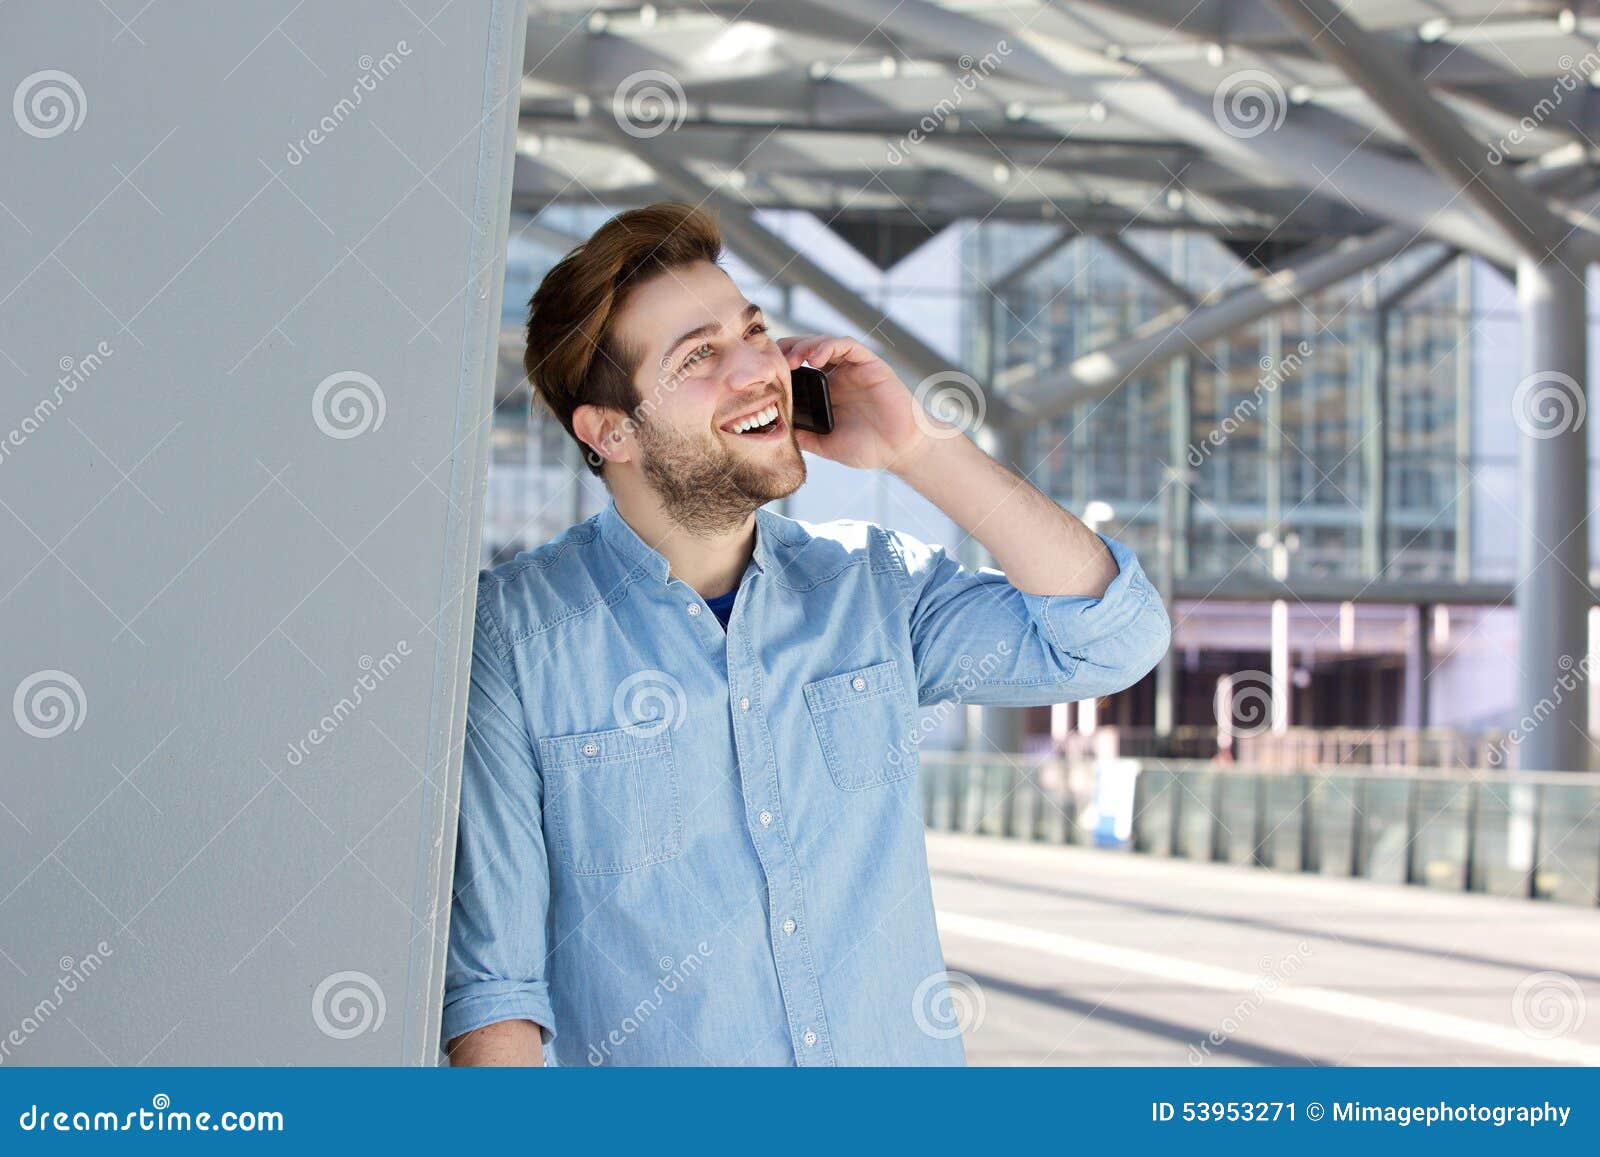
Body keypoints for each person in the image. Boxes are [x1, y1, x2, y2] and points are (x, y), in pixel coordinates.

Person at [442, 202, 1171, 1066]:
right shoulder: (514, 635)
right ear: (610, 430)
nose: (758, 368)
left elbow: (1109, 639)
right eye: (701, 356)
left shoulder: (873, 585)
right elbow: (495, 997)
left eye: (754, 332)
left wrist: (916, 446)